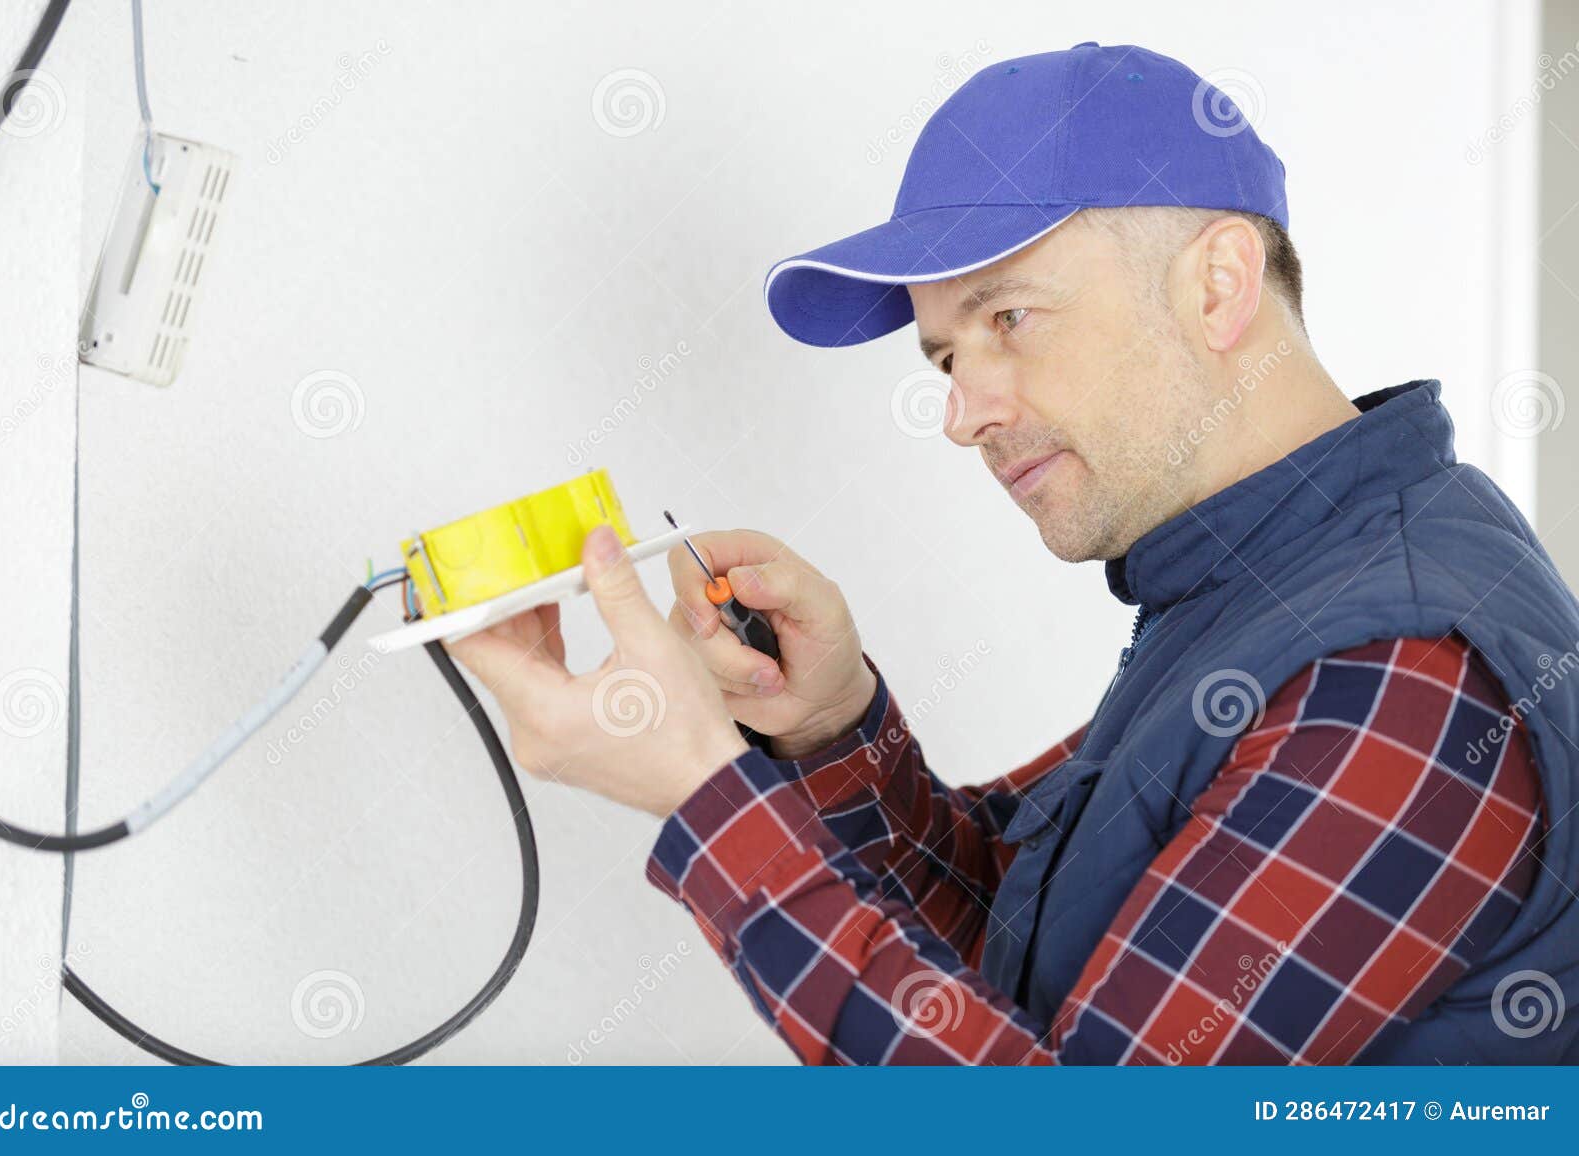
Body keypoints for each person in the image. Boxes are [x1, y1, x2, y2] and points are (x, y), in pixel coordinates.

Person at [449, 43, 1579, 1064]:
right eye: (946, 357)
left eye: (1007, 320)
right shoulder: (1268, 584)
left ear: (1218, 284)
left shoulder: (1399, 675)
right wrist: (832, 725)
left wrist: (703, 790)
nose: (962, 412)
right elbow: (1037, 963)